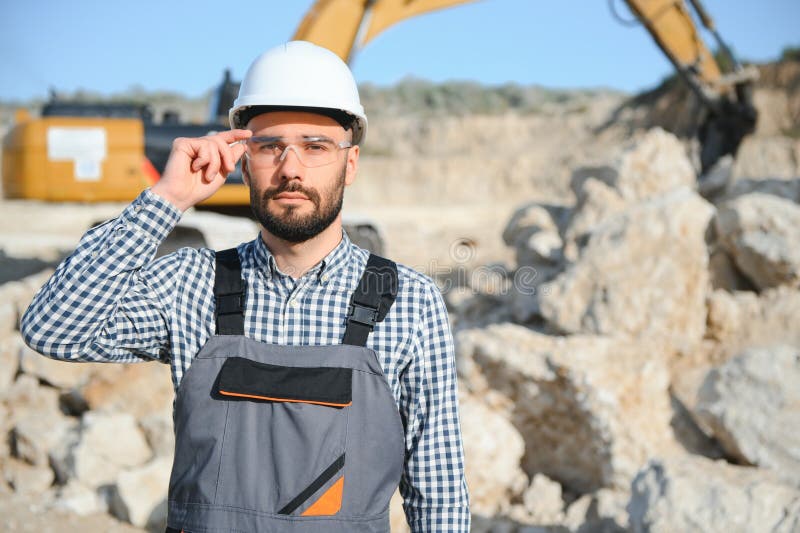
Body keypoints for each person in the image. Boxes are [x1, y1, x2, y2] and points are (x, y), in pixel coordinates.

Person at [20, 41, 469, 532]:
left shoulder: (409, 300)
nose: (291, 168)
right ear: (242, 158)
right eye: (270, 146)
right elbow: (52, 330)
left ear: (351, 162)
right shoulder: (189, 284)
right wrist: (166, 199)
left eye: (315, 146)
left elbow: (437, 486)